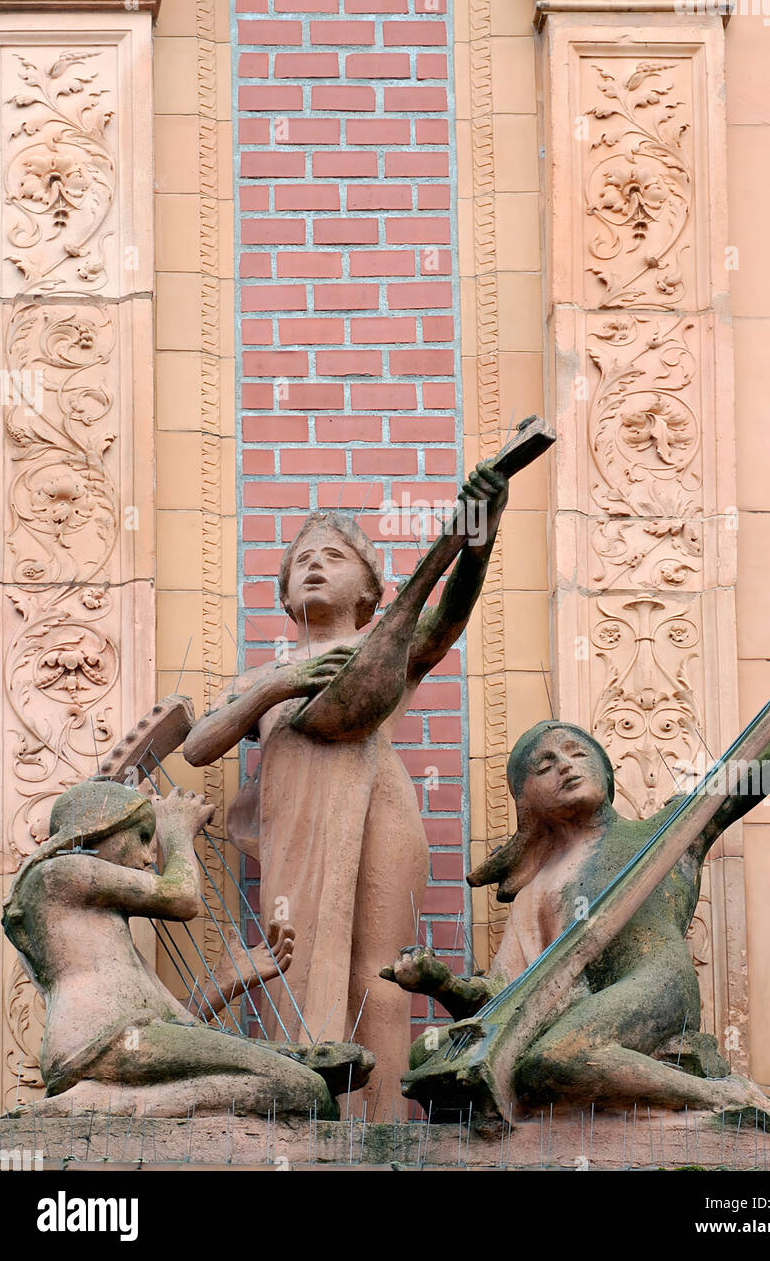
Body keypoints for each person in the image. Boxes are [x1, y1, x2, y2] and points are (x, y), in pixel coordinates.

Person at [384, 573, 770, 1124]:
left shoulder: (662, 836)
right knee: (431, 1053)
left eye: (576, 752)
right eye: (544, 766)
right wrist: (441, 983)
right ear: (529, 804)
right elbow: (508, 1002)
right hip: (577, 1015)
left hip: (656, 984)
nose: (565, 766)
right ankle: (710, 1100)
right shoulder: (536, 893)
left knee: (556, 1058)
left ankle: (728, 1100)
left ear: (607, 768)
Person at [183, 463, 509, 1109]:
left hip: (381, 809)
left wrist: (479, 534)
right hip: (295, 826)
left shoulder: (383, 646)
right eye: (300, 560)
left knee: (380, 970)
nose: (312, 566)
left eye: (333, 557)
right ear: (282, 594)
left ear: (368, 593)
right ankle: (305, 1113)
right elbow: (199, 746)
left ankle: (384, 1124)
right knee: (293, 958)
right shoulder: (262, 676)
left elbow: (445, 618)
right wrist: (276, 688)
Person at [2, 779, 345, 1117]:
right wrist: (177, 831)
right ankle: (107, 1102)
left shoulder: (106, 939)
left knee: (313, 1092)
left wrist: (230, 986)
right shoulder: (58, 873)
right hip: (105, 1041)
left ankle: (105, 1099)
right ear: (99, 828)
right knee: (309, 1091)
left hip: (121, 1040)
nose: (146, 857)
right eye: (141, 837)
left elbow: (182, 1028)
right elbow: (181, 898)